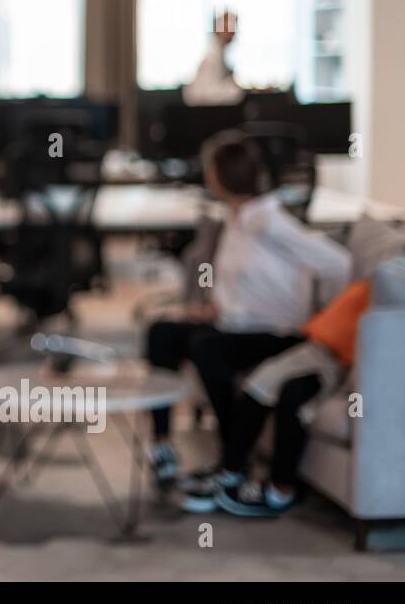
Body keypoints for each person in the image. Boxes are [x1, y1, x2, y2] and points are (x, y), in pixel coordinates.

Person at [144, 131, 351, 500]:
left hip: (277, 332)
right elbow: (238, 284)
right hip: (235, 325)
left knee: (206, 347)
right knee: (161, 333)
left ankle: (231, 456)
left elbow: (339, 264)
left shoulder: (270, 222)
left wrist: (320, 315)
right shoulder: (236, 219)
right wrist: (209, 309)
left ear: (220, 176)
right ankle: (163, 446)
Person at [209, 279, 368, 517]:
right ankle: (231, 471)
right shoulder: (374, 279)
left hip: (337, 365)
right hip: (312, 347)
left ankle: (280, 491)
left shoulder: (389, 285)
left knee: (294, 395)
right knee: (256, 386)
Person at [182, 9, 244, 105]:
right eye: (228, 27)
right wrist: (234, 89)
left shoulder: (220, 54)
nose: (233, 31)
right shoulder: (212, 57)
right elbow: (205, 95)